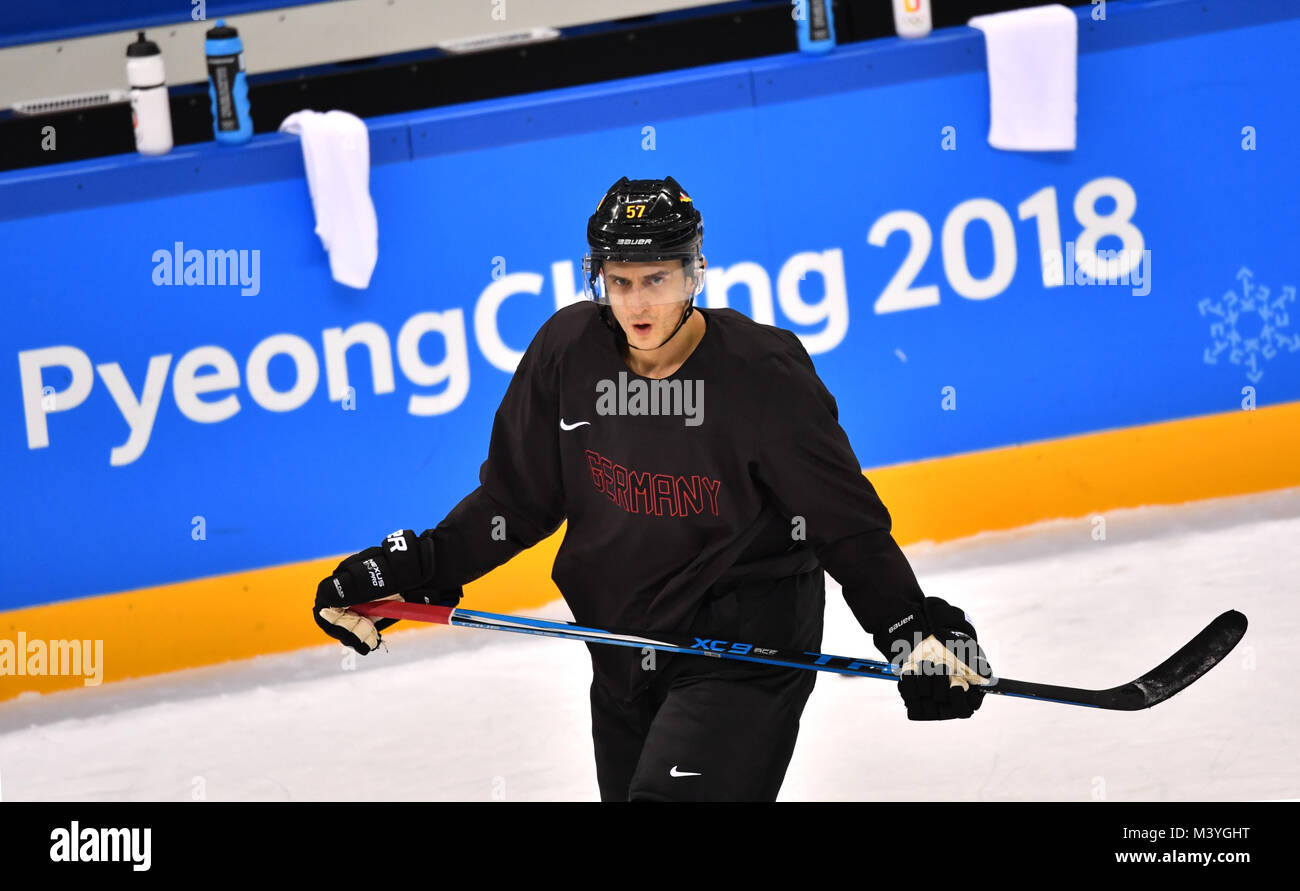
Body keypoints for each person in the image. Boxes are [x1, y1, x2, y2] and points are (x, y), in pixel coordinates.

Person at [312, 176, 992, 801]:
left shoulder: (762, 374)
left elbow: (844, 525)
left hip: (740, 656)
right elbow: (513, 505)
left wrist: (909, 626)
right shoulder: (566, 353)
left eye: (657, 279)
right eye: (620, 280)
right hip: (620, 654)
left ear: (696, 272)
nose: (638, 303)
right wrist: (415, 569)